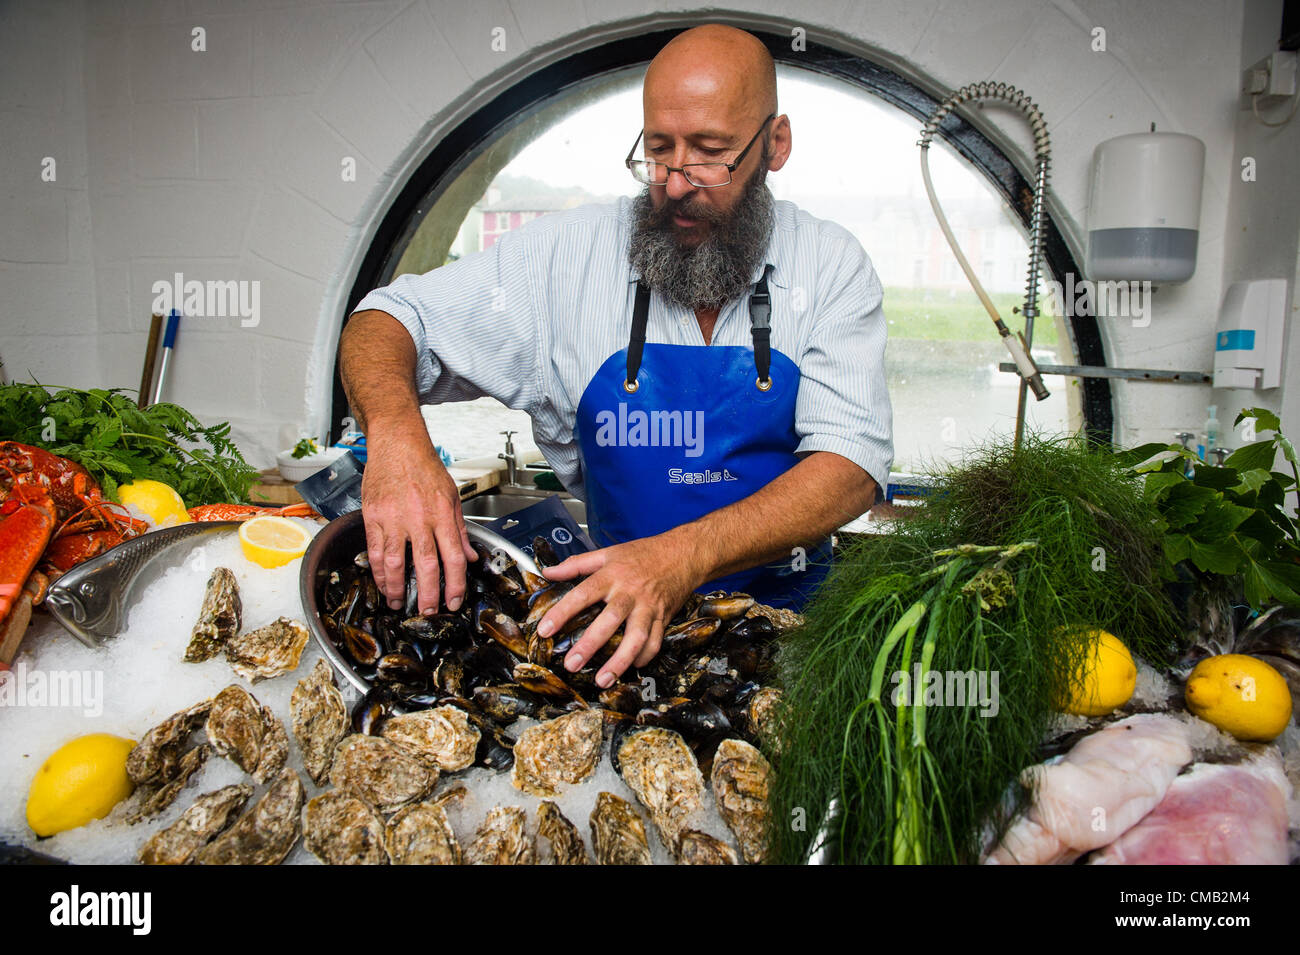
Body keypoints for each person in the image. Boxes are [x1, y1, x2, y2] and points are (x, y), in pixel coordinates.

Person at [340, 24, 892, 690]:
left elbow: (851, 465)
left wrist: (679, 557)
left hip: (792, 632)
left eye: (710, 152)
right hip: (616, 638)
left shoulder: (830, 264)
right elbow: (387, 320)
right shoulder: (566, 257)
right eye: (658, 150)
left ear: (775, 145)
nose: (676, 181)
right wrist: (398, 434)